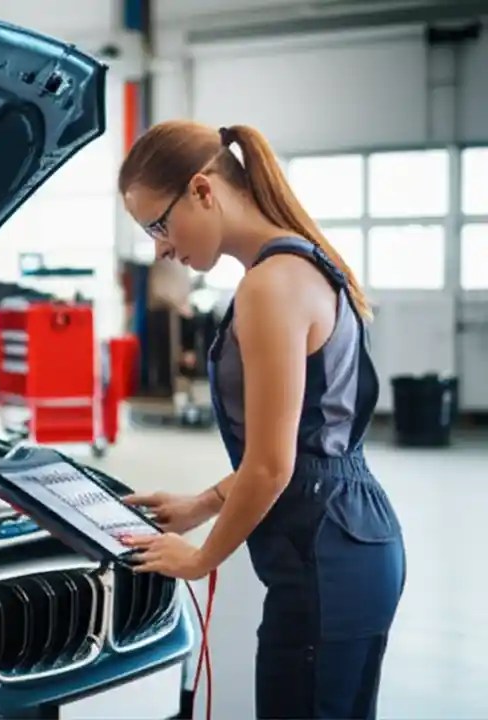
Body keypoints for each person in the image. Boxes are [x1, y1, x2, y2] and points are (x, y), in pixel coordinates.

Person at [114, 120, 406, 719]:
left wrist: (198, 558)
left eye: (157, 225)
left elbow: (274, 464)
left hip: (326, 553)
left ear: (202, 190)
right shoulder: (294, 267)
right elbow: (302, 443)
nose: (160, 249)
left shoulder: (271, 285)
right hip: (347, 539)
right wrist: (202, 503)